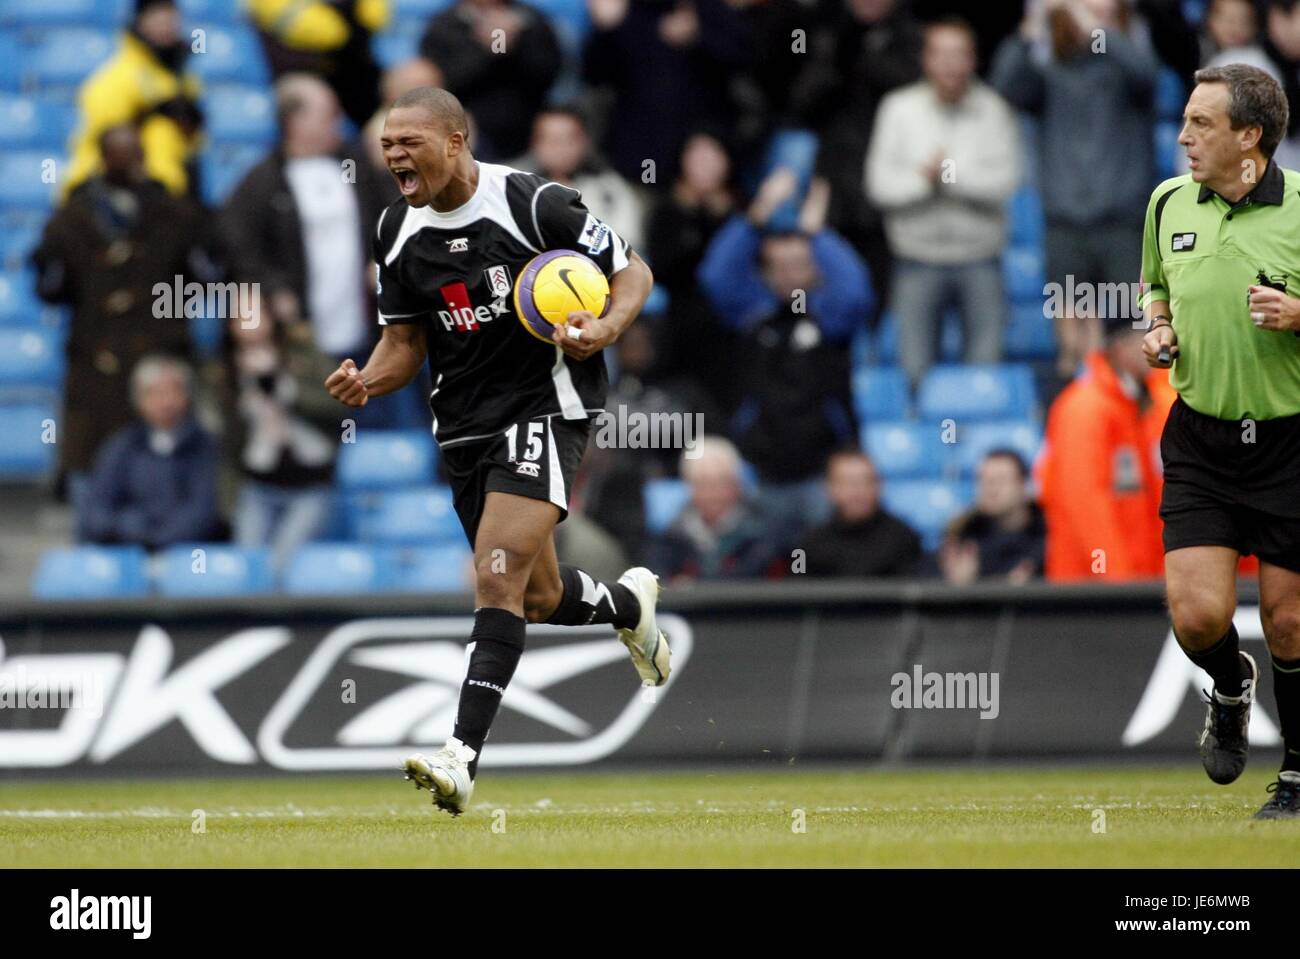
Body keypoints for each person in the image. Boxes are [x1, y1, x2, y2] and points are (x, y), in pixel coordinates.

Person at [324, 87, 664, 816]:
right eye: (387, 144)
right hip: (464, 427)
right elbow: (404, 343)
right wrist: (367, 381)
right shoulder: (395, 228)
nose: (394, 156)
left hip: (548, 406)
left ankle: (461, 757)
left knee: (495, 575)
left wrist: (604, 327)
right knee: (535, 596)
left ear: (456, 140)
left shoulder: (536, 204)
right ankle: (629, 602)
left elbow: (634, 272)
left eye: (410, 141)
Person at [1140, 64, 1300, 818]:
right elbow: (1155, 284)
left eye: (1201, 124)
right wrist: (1161, 325)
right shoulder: (1168, 201)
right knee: (1197, 616)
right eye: (1185, 120)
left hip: (1290, 441)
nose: (1183, 137)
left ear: (1250, 137)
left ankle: (1297, 774)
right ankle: (1232, 685)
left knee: (1290, 618)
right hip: (1202, 437)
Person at [33, 124, 209, 490]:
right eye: (119, 151)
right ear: (102, 158)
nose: (130, 160)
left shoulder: (172, 214)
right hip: (95, 364)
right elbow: (50, 288)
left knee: (169, 473)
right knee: (93, 472)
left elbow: (201, 278)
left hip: (158, 361)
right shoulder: (73, 218)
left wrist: (166, 313)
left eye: (135, 151)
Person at [697, 170, 872, 537]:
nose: (790, 273)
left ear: (815, 269)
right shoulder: (754, 313)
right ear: (767, 271)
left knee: (819, 572)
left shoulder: (830, 317)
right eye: (781, 266)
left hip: (823, 476)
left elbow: (856, 291)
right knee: (766, 577)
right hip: (760, 475)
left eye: (800, 264)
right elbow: (716, 277)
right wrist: (756, 213)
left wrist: (816, 234)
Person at [991, 0, 1157, 380]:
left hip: (1123, 225)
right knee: (1072, 341)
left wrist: (1100, 30)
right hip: (1065, 224)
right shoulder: (1050, 70)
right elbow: (1005, 88)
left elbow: (1147, 75)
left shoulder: (1129, 63)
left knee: (1132, 332)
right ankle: (1077, 421)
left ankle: (1135, 423)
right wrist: (1029, 30)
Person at [866, 16, 1021, 387]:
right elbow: (879, 186)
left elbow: (1005, 183)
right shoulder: (897, 109)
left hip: (980, 259)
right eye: (941, 54)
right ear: (925, 59)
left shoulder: (995, 110)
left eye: (959, 54)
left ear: (974, 60)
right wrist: (925, 180)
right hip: (915, 260)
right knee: (914, 372)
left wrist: (947, 176)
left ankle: (978, 443)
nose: (950, 63)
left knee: (985, 373)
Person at [221, 74, 391, 363]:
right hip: (302, 343)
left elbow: (392, 212)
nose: (338, 121)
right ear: (295, 121)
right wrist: (271, 290)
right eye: (328, 114)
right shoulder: (262, 182)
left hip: (374, 333)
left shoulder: (355, 165)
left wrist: (383, 257)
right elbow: (238, 246)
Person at [1037, 315, 1176, 582]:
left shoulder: (1152, 403)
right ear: (1119, 348)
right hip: (1092, 590)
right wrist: (1118, 580)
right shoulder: (1083, 409)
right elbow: (1085, 504)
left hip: (1149, 581)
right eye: (1145, 338)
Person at [78, 356, 222, 548]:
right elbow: (97, 508)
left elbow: (202, 511)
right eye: (155, 393)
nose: (166, 402)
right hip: (126, 550)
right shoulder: (122, 445)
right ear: (139, 401)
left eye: (173, 391)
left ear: (187, 397)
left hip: (184, 553)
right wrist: (132, 531)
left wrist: (158, 539)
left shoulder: (202, 445)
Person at [65, 0, 203, 199]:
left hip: (171, 189)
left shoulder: (183, 79)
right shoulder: (118, 78)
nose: (166, 26)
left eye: (170, 18)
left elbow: (194, 140)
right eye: (157, 18)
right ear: (140, 23)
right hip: (116, 192)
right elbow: (107, 141)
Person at [418, 0, 561, 160]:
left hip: (525, 136)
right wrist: (488, 49)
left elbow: (547, 74)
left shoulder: (530, 19)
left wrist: (514, 44)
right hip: (467, 137)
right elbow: (441, 80)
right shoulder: (446, 24)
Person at [647, 436, 782, 582]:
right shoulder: (672, 535)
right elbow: (658, 575)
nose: (711, 494)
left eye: (720, 483)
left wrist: (696, 586)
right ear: (689, 487)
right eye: (702, 484)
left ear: (736, 485)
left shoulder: (764, 531)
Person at [519, 106, 646, 252]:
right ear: (534, 143)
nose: (560, 148)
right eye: (551, 139)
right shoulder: (513, 184)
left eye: (568, 139)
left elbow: (628, 246)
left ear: (585, 142)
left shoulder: (609, 188)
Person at [247, 0, 389, 128]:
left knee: (401, 87)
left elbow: (375, 16)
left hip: (352, 67)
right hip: (297, 73)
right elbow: (326, 32)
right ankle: (307, 157)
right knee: (314, 102)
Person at [800, 448, 921, 578]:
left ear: (879, 486)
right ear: (830, 488)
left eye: (865, 481)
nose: (857, 492)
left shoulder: (904, 539)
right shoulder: (809, 545)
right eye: (848, 483)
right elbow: (796, 589)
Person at [938, 449, 1045, 585]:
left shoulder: (1050, 535)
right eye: (983, 480)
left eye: (1000, 479)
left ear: (1023, 485)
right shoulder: (962, 539)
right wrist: (960, 586)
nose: (990, 488)